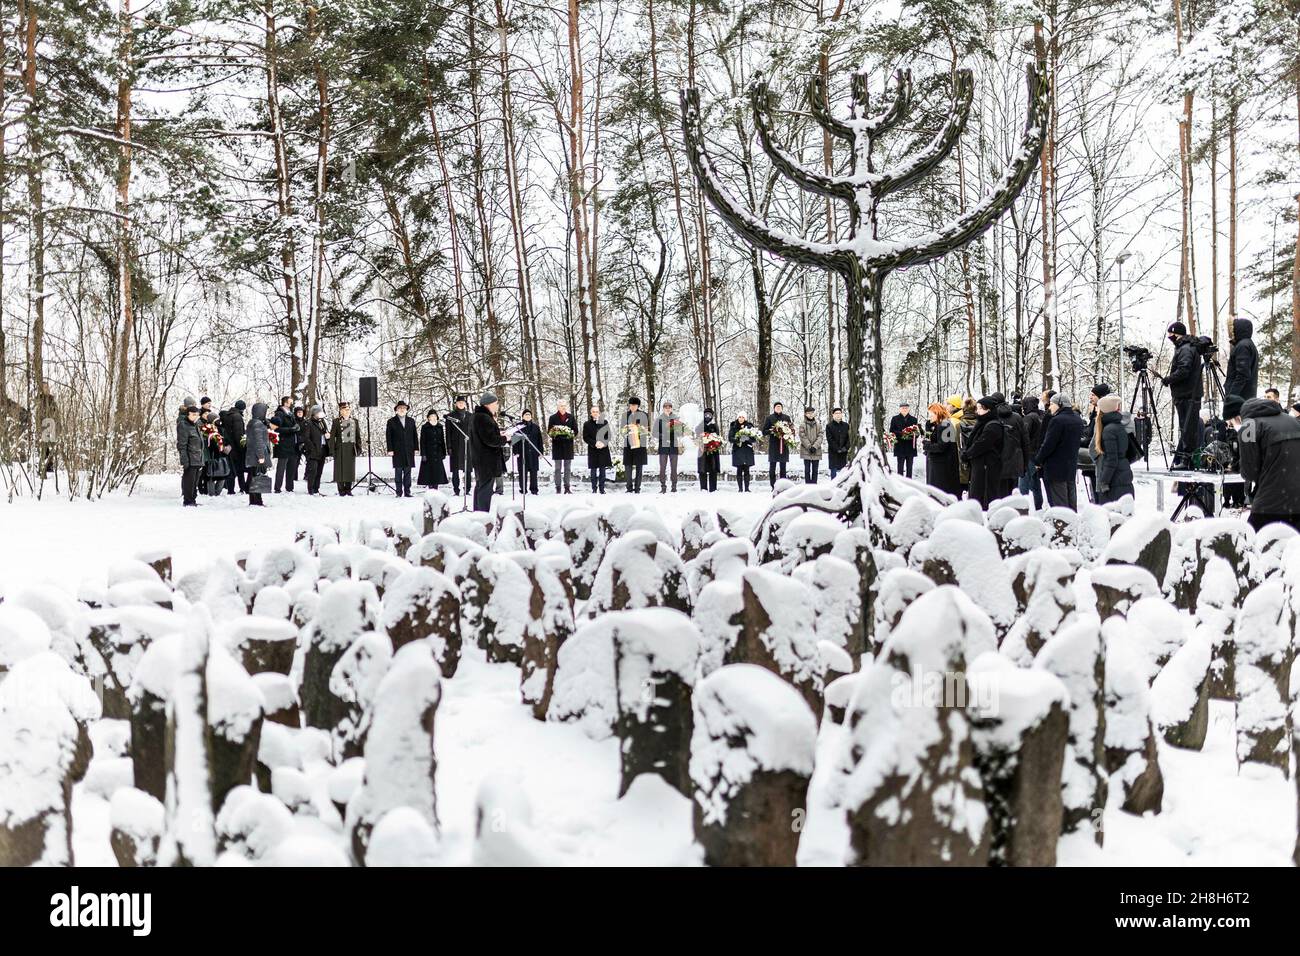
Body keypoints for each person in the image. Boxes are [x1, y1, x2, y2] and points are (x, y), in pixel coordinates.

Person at [1235, 395, 1300, 533]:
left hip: (1269, 502)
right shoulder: (1292, 421)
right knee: (1293, 550)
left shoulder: (1249, 425)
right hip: (1296, 500)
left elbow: (1249, 472)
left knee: (1252, 545)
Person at [1158, 322, 1203, 468]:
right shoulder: (1186, 347)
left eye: (1171, 334)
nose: (1169, 337)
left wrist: (1169, 379)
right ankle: (1185, 458)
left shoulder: (1185, 348)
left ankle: (1187, 460)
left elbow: (1184, 370)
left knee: (1188, 428)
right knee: (1187, 427)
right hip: (1187, 394)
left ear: (1176, 334)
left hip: (1187, 395)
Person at [1033, 393, 1085, 510]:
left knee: (1060, 505)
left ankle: (1063, 526)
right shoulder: (1077, 419)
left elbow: (1048, 444)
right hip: (1070, 466)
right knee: (1071, 501)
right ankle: (1072, 525)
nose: (1050, 407)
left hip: (1055, 468)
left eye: (1052, 404)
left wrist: (1038, 460)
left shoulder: (1057, 420)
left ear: (1060, 404)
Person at [960, 397, 1004, 509]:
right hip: (980, 464)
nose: (977, 411)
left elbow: (981, 444)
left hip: (987, 465)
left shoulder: (993, 425)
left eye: (980, 408)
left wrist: (967, 454)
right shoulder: (983, 422)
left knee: (984, 493)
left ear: (988, 409)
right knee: (976, 491)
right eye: (977, 408)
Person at [469, 392, 508, 511]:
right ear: (489, 404)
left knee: (481, 487)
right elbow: (490, 440)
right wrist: (505, 438)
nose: (497, 406)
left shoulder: (477, 416)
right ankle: (483, 517)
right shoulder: (484, 418)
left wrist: (498, 434)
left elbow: (484, 436)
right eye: (496, 403)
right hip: (487, 460)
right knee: (485, 489)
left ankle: (478, 514)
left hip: (481, 458)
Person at [1093, 395, 1134, 504]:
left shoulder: (1108, 430)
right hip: (1123, 474)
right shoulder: (1118, 426)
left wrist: (1104, 481)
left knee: (1112, 516)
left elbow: (1111, 459)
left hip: (1115, 481)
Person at [922, 402, 961, 497]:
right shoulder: (938, 425)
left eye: (932, 414)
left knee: (941, 493)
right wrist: (927, 429)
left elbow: (941, 447)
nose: (930, 416)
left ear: (938, 413)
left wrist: (927, 446)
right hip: (937, 464)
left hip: (943, 466)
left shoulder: (945, 425)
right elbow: (929, 439)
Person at [385, 400, 418, 497]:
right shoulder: (391, 421)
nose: (402, 409)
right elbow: (388, 436)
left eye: (404, 408)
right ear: (396, 410)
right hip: (397, 451)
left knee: (408, 472)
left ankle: (407, 492)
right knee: (398, 472)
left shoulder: (411, 421)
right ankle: (399, 492)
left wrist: (416, 448)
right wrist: (390, 449)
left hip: (409, 450)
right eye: (400, 408)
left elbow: (415, 435)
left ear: (407, 410)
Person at [1018, 395, 1045, 509]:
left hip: (1029, 454)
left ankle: (1021, 507)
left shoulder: (1029, 418)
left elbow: (1024, 436)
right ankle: (1039, 506)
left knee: (1023, 483)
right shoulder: (1041, 415)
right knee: (1035, 483)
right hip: (1038, 453)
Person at [328, 402, 361, 496]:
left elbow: (358, 436)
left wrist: (359, 448)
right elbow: (332, 437)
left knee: (350, 470)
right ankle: (341, 490)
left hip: (351, 449)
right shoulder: (336, 421)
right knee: (339, 470)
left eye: (348, 409)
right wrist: (332, 450)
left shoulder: (354, 421)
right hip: (340, 449)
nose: (347, 411)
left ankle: (348, 489)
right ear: (341, 411)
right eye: (344, 409)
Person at [1223, 317, 1259, 401]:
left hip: (1240, 398)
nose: (1231, 332)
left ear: (1238, 330)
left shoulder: (1243, 346)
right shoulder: (1248, 344)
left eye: (1233, 329)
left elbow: (1242, 375)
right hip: (1245, 397)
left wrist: (1231, 396)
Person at [269, 397, 299, 493]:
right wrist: (291, 429)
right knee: (281, 467)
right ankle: (277, 488)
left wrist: (297, 427)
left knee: (291, 467)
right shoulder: (279, 414)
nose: (292, 404)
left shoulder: (290, 414)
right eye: (290, 402)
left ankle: (289, 487)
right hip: (283, 444)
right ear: (285, 403)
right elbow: (276, 428)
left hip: (292, 445)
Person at [996, 398, 1025, 500]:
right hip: (1015, 460)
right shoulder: (1017, 418)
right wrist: (1024, 463)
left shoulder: (994, 418)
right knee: (1013, 493)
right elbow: (1025, 441)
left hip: (998, 461)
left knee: (999, 493)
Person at [653, 400, 684, 494]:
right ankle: (663, 486)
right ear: (663, 409)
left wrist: (675, 430)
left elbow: (680, 432)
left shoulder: (676, 418)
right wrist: (663, 435)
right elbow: (654, 433)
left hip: (673, 445)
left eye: (669, 407)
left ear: (671, 408)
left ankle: (674, 486)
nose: (667, 409)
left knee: (674, 467)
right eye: (666, 407)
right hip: (663, 446)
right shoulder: (659, 419)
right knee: (662, 467)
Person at [177, 404, 204, 507]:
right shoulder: (183, 425)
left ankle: (193, 499)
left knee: (195, 482)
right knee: (189, 481)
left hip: (198, 458)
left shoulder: (195, 425)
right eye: (193, 414)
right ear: (188, 414)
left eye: (197, 415)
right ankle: (188, 501)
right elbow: (182, 445)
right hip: (190, 458)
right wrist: (185, 460)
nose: (195, 416)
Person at [622, 396, 650, 493]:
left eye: (634, 405)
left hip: (640, 444)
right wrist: (626, 430)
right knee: (628, 466)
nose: (632, 407)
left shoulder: (644, 415)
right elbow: (622, 430)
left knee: (639, 466)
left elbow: (647, 429)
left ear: (638, 405)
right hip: (628, 444)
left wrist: (639, 429)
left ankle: (637, 487)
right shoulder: (625, 415)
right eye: (631, 405)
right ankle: (629, 487)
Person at [245, 402, 271, 506]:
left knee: (254, 477)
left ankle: (254, 500)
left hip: (251, 455)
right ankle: (257, 501)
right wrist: (261, 456)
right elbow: (258, 441)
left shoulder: (252, 422)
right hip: (257, 456)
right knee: (257, 478)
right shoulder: (258, 424)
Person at [512, 409, 544, 495]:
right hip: (522, 452)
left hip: (533, 452)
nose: (527, 416)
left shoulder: (536, 427)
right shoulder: (518, 427)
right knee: (523, 471)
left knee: (534, 471)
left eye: (529, 414)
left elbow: (539, 440)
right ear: (522, 416)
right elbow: (514, 440)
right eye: (526, 414)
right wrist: (516, 451)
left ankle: (534, 489)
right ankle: (523, 489)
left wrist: (540, 452)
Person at [547, 401, 576, 494]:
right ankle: (558, 487)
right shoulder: (552, 418)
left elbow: (575, 430)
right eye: (561, 406)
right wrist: (557, 435)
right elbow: (550, 431)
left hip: (568, 446)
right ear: (558, 407)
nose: (563, 407)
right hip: (557, 446)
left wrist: (569, 435)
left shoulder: (571, 417)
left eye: (564, 406)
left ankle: (567, 487)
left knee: (567, 468)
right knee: (557, 468)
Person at [445, 395, 471, 497]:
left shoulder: (470, 416)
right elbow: (448, 433)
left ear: (465, 404)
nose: (461, 404)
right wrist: (449, 447)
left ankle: (467, 489)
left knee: (467, 469)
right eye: (459, 402)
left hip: (467, 445)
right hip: (455, 446)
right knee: (455, 469)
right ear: (456, 404)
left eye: (462, 402)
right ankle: (456, 489)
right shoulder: (450, 416)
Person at [763, 402, 793, 488]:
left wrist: (786, 432)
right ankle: (773, 486)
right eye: (777, 407)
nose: (778, 408)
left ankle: (783, 486)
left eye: (780, 407)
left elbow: (791, 430)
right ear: (774, 408)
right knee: (772, 467)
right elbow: (764, 431)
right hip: (773, 446)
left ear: (782, 408)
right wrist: (774, 430)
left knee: (783, 467)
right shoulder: (769, 418)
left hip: (784, 445)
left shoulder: (786, 417)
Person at [220, 400, 247, 494]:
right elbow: (238, 433)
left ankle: (230, 489)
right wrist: (242, 447)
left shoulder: (227, 415)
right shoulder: (237, 417)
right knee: (239, 469)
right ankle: (242, 488)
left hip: (228, 445)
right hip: (236, 447)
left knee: (231, 468)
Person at [584, 405, 612, 493]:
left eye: (597, 411)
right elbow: (586, 437)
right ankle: (594, 489)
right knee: (593, 470)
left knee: (602, 470)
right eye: (593, 412)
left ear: (599, 413)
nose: (595, 413)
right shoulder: (587, 424)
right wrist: (595, 443)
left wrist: (603, 443)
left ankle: (602, 488)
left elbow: (608, 435)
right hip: (593, 449)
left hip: (603, 450)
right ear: (591, 413)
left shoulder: (604, 422)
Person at [201, 410, 230, 496]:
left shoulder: (220, 429)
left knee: (221, 475)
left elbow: (226, 440)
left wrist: (226, 447)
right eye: (216, 420)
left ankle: (216, 493)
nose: (219, 421)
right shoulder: (207, 430)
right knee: (211, 476)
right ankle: (212, 494)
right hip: (212, 456)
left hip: (220, 455)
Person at [418, 410, 449, 490]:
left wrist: (444, 452)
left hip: (438, 452)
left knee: (437, 471)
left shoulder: (440, 426)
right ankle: (430, 487)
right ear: (428, 418)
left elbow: (442, 440)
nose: (433, 418)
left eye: (435, 416)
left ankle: (436, 487)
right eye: (431, 416)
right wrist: (423, 454)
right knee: (429, 471)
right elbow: (422, 441)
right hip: (428, 452)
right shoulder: (425, 427)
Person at [303, 405, 330, 495]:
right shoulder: (308, 423)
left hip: (322, 449)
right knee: (313, 471)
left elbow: (325, 432)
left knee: (319, 471)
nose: (320, 414)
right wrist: (312, 448)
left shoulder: (322, 422)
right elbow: (306, 438)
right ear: (314, 413)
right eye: (318, 412)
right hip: (313, 450)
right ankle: (310, 489)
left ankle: (316, 489)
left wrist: (327, 436)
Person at [888, 402, 918, 478]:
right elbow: (892, 431)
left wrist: (911, 435)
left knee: (910, 468)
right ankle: (900, 484)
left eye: (906, 408)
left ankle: (909, 483)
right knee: (900, 468)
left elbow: (916, 433)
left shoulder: (914, 419)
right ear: (900, 409)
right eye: (903, 408)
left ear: (908, 409)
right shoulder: (895, 419)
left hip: (910, 447)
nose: (904, 409)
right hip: (899, 446)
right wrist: (902, 433)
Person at [729, 413, 757, 491]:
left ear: (745, 418)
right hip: (738, 450)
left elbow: (754, 439)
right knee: (739, 469)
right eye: (739, 417)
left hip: (747, 450)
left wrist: (747, 439)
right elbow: (730, 438)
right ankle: (740, 488)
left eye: (743, 417)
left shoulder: (749, 426)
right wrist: (738, 439)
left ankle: (747, 488)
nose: (741, 419)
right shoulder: (733, 426)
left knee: (747, 470)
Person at [696, 408, 721, 492]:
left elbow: (718, 437)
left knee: (713, 470)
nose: (707, 416)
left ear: (712, 416)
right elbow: (697, 433)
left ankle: (713, 488)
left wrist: (713, 440)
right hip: (703, 450)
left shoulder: (714, 425)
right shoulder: (700, 425)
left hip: (713, 450)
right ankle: (703, 488)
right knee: (702, 470)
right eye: (706, 415)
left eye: (709, 415)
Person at [799, 406, 824, 484]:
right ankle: (808, 486)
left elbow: (820, 436)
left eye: (812, 413)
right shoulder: (802, 425)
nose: (810, 415)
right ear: (806, 414)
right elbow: (802, 436)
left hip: (816, 450)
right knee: (807, 470)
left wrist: (814, 446)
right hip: (806, 450)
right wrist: (809, 446)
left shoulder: (819, 425)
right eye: (808, 413)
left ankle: (814, 486)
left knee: (815, 470)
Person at [826, 407, 850, 478]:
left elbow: (849, 438)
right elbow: (829, 439)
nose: (838, 415)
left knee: (844, 472)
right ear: (833, 415)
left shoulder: (846, 425)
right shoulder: (829, 426)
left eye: (839, 413)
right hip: (833, 452)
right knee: (833, 471)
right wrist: (837, 448)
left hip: (844, 452)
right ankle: (833, 487)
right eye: (836, 413)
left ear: (842, 414)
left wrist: (845, 447)